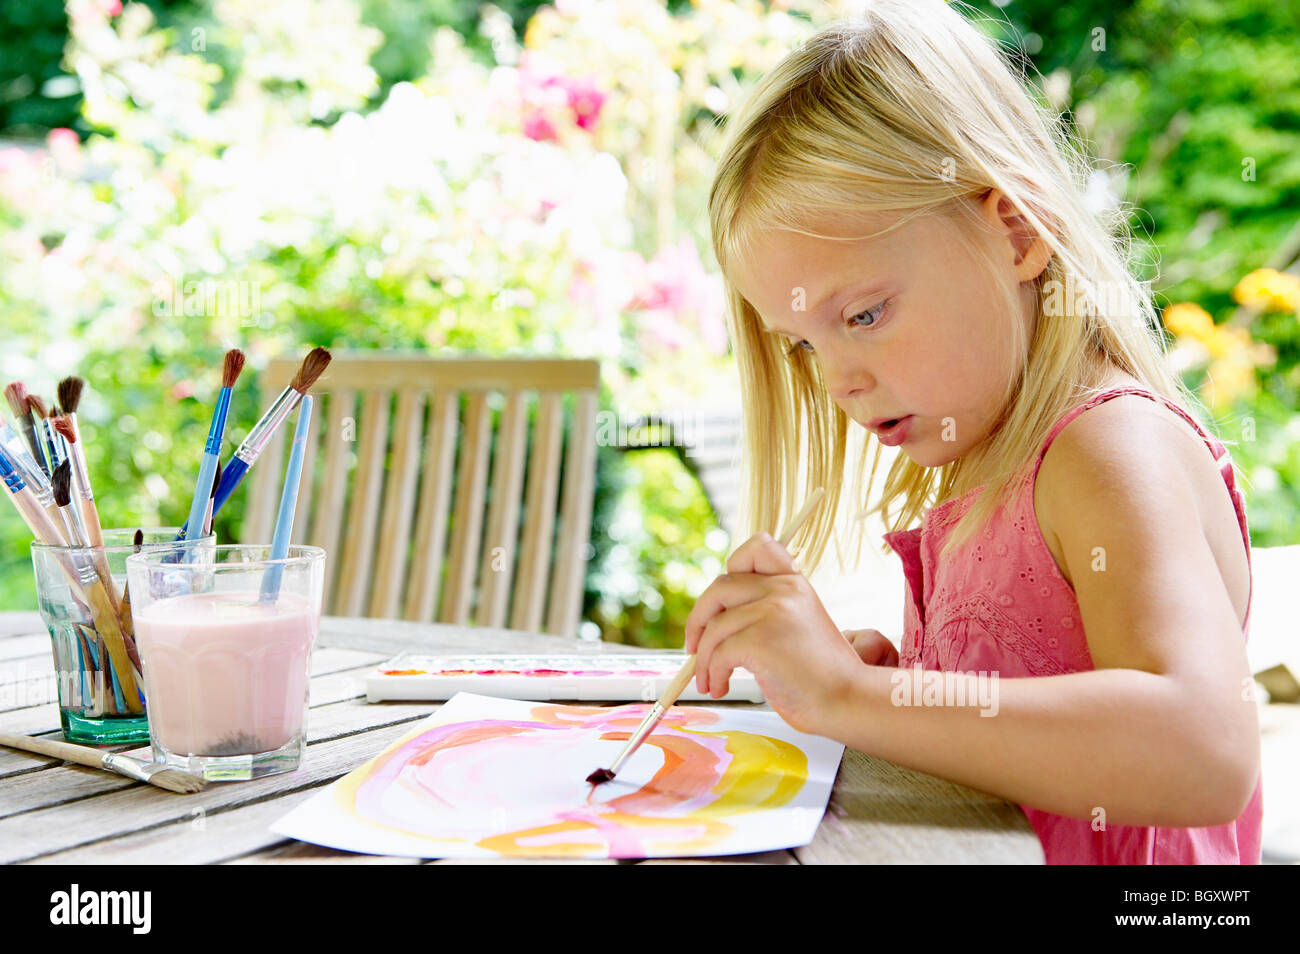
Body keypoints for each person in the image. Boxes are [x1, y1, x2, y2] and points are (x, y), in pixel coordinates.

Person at [686, 0, 1262, 864]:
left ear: (1017, 231)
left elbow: (1204, 749)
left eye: (867, 313)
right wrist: (896, 692)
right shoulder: (988, 458)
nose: (839, 379)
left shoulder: (1107, 449)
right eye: (805, 344)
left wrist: (848, 695)